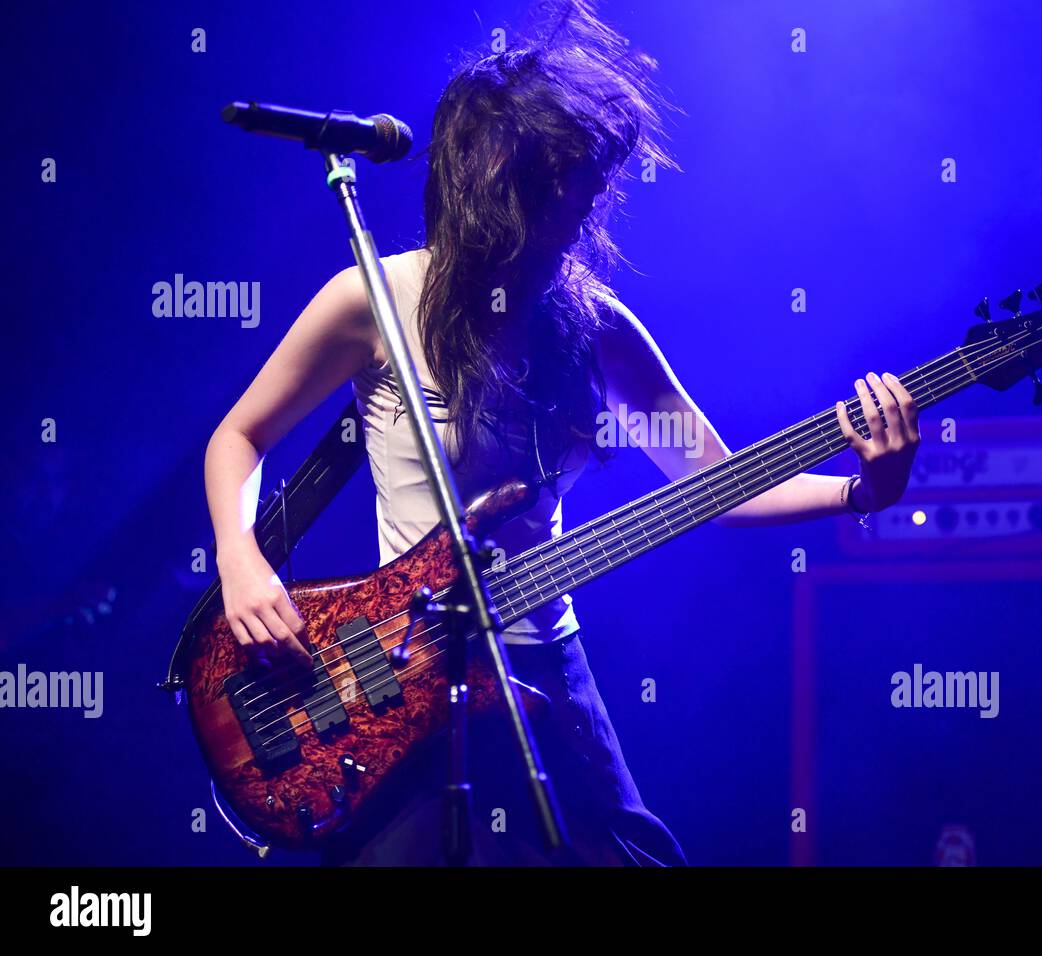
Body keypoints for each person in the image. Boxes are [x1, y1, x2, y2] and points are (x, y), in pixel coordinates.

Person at [202, 0, 920, 866]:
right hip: (393, 671)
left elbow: (719, 486)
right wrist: (240, 563)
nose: (578, 225)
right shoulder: (373, 301)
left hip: (545, 664)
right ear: (499, 190)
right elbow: (239, 436)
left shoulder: (597, 326)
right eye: (562, 201)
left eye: (588, 200)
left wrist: (860, 491)